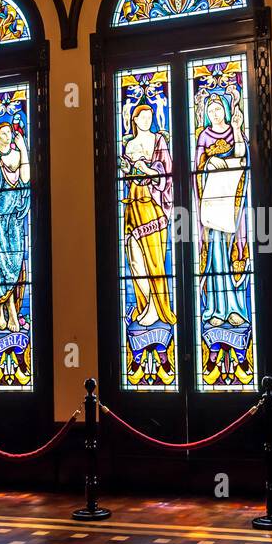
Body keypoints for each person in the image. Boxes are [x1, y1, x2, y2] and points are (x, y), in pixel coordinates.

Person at [194, 87, 252, 385]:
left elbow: (243, 156)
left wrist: (240, 128)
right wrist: (207, 165)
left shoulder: (234, 131)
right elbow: (197, 166)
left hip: (234, 202)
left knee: (231, 257)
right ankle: (216, 309)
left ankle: (234, 309)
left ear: (227, 112)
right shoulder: (204, 137)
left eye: (219, 109)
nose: (215, 113)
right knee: (214, 257)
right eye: (211, 110)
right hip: (212, 202)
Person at [121, 102, 176, 385]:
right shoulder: (128, 144)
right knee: (135, 260)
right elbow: (126, 173)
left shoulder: (160, 141)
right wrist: (133, 167)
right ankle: (144, 305)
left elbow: (167, 174)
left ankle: (157, 307)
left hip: (154, 207)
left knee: (154, 260)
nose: (146, 118)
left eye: (149, 115)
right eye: (141, 115)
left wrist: (148, 168)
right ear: (133, 119)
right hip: (133, 202)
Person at [0, 116, 31, 385]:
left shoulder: (17, 156)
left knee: (15, 265)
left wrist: (24, 147)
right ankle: (6, 312)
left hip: (15, 220)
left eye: (9, 134)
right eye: (2, 134)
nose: (7, 137)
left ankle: (6, 312)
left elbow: (26, 177)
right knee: (1, 268)